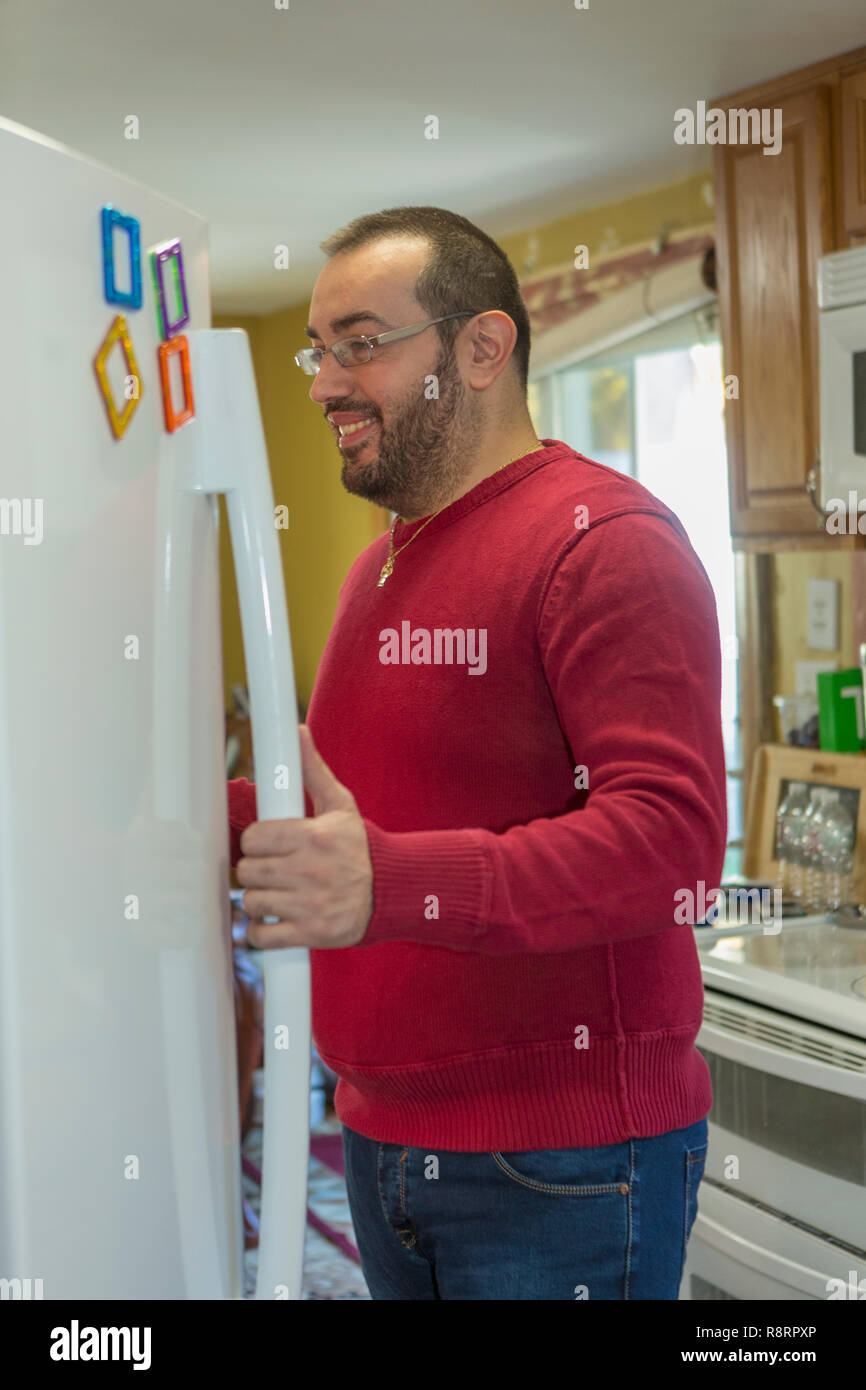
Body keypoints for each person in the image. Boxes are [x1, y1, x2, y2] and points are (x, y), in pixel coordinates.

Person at [227, 206, 727, 1300]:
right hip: (383, 1135)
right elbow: (354, 805)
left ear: (481, 348)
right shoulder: (379, 573)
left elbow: (670, 846)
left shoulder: (602, 542)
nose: (320, 384)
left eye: (361, 343)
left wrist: (391, 882)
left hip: (562, 1164)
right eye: (320, 350)